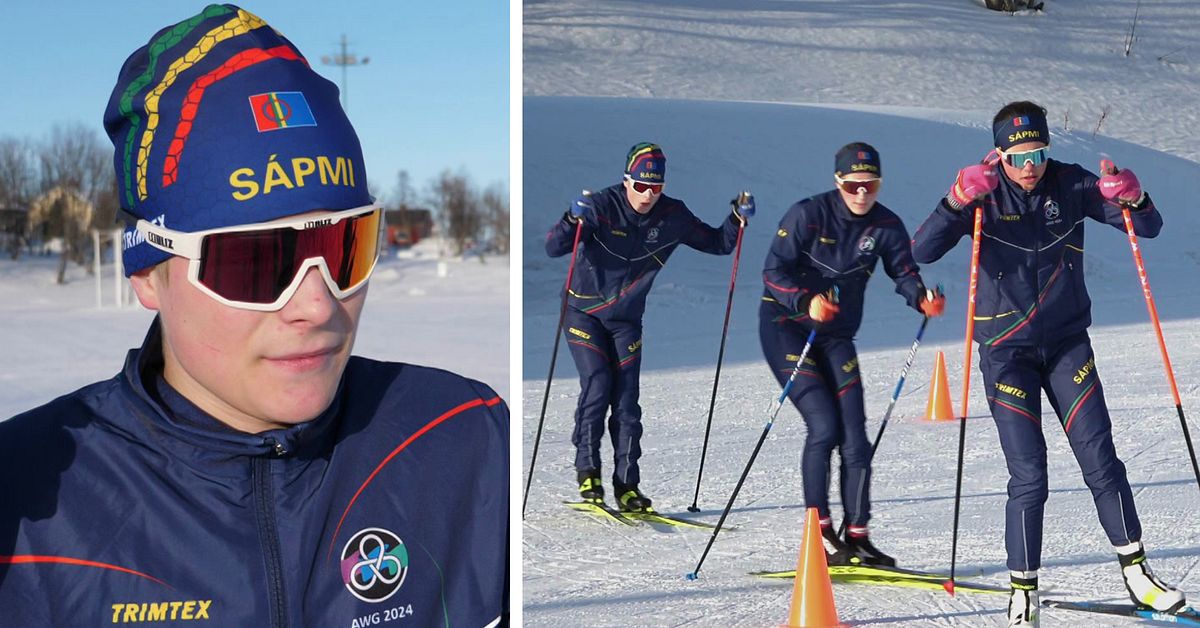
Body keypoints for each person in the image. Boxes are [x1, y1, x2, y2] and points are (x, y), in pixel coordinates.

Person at [0, 6, 508, 627]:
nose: (317, 305)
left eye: (344, 248)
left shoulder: (465, 440)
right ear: (146, 274)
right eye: (256, 261)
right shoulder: (27, 502)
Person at [911, 100, 1186, 627]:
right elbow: (922, 251)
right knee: (1029, 475)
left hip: (1065, 345)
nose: (1030, 166)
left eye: (1038, 152)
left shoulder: (1071, 184)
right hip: (1006, 353)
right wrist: (955, 200)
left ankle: (1138, 576)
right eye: (1018, 157)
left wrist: (1134, 194)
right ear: (999, 155)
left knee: (1101, 460)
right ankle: (1024, 592)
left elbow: (1146, 227)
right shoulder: (983, 194)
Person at [760, 142, 945, 567]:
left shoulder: (885, 224)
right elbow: (772, 272)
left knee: (856, 439)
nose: (862, 193)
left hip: (837, 335)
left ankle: (857, 536)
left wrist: (921, 298)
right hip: (787, 329)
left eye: (871, 185)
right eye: (854, 184)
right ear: (838, 182)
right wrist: (805, 301)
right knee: (823, 427)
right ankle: (820, 533)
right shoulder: (808, 214)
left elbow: (903, 271)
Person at [544, 142, 752, 513]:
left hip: (626, 319)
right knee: (597, 385)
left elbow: (718, 244)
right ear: (627, 181)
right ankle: (588, 473)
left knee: (626, 400)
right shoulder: (602, 207)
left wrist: (736, 220)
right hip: (583, 311)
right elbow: (554, 247)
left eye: (655, 188)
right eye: (640, 186)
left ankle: (627, 485)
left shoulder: (673, 216)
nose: (647, 195)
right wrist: (571, 220)